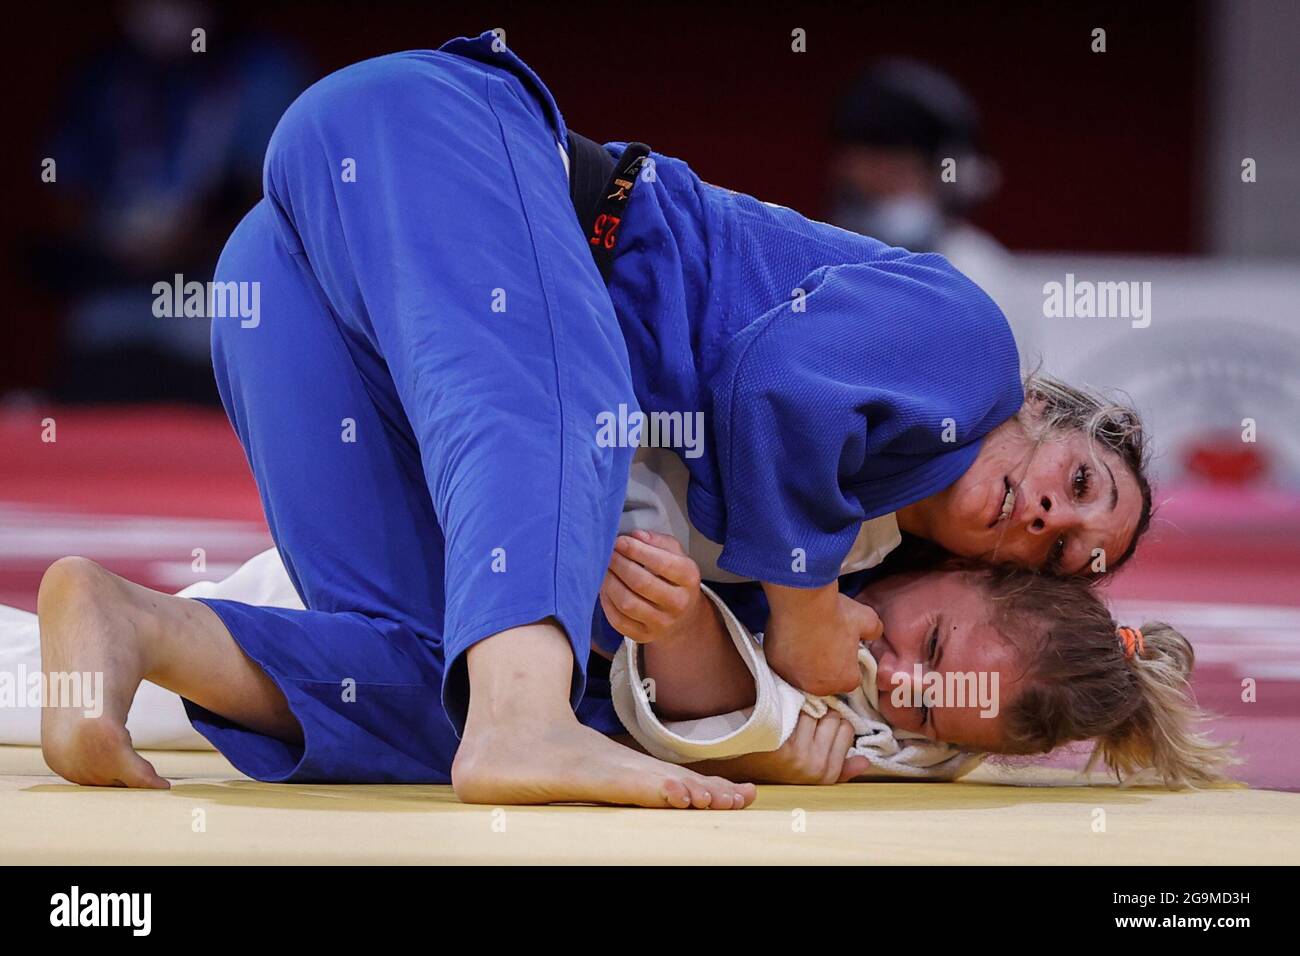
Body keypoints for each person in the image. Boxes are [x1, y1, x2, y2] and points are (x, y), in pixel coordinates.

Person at [38, 32, 1145, 809]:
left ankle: (129, 628)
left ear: (986, 565)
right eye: (1080, 483)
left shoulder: (829, 572)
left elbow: (716, 668)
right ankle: (522, 724)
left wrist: (776, 729)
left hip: (307, 305)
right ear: (1048, 411)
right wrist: (803, 608)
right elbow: (776, 387)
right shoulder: (970, 357)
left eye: (1054, 548)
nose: (1044, 513)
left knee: (439, 681)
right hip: (436, 141)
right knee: (576, 399)